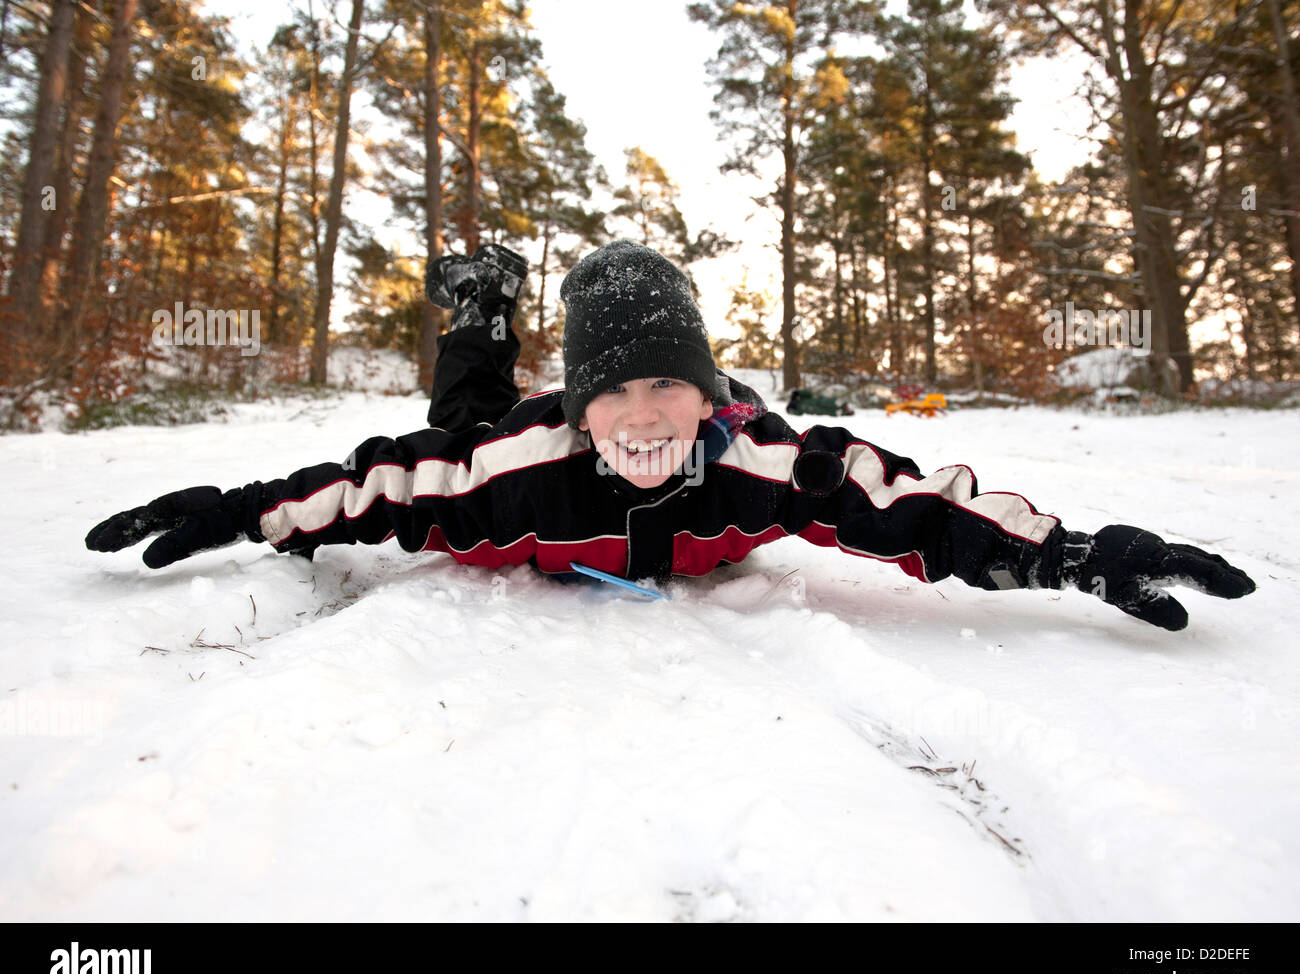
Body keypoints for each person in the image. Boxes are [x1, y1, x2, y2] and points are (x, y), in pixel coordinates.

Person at [84, 240, 1255, 631]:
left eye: (668, 389)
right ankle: (485, 299)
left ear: (705, 398)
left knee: (773, 437)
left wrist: (1068, 549)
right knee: (459, 421)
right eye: (614, 395)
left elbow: (903, 500)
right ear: (577, 405)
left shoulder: (747, 452)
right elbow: (373, 487)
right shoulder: (522, 468)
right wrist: (240, 508)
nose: (642, 418)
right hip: (517, 428)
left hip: (738, 415)